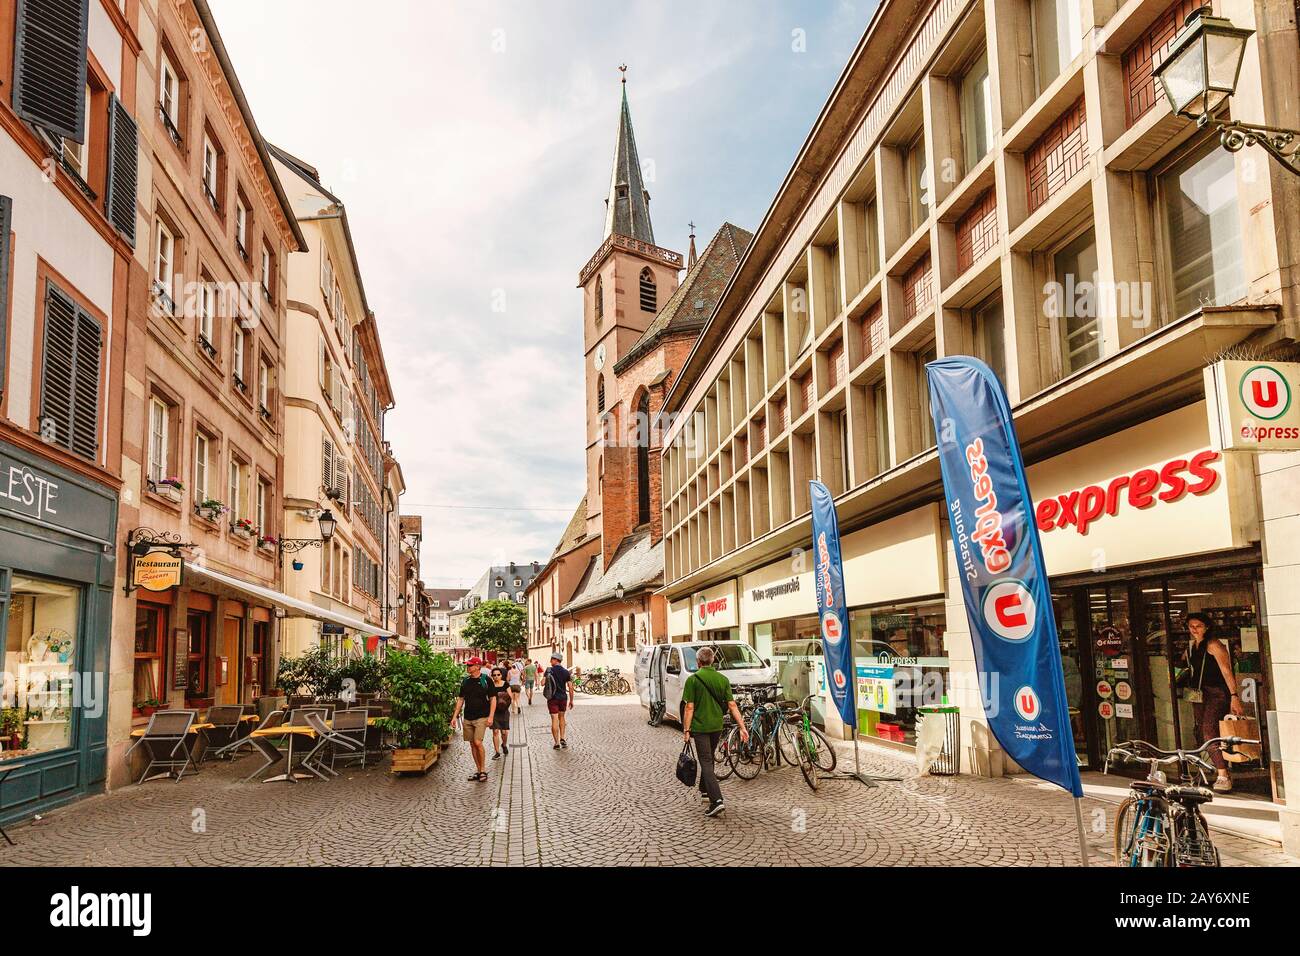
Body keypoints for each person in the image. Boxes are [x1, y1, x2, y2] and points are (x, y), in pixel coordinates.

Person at [682, 646, 748, 818]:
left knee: (706, 761)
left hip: (701, 728)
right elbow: (732, 705)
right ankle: (705, 790)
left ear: (698, 662)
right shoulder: (723, 679)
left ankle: (716, 801)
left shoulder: (693, 680)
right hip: (717, 727)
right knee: (708, 758)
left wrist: (686, 729)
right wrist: (742, 726)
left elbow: (689, 708)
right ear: (712, 661)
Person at [1182, 612, 1243, 792]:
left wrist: (1234, 695)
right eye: (1191, 626)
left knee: (1210, 731)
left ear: (1207, 627)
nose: (1194, 629)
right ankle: (1217, 769)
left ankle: (1223, 774)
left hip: (1217, 693)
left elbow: (1226, 671)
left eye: (1198, 626)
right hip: (1199, 693)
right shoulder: (1193, 646)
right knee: (1202, 730)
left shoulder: (1214, 644)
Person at [450, 657, 497, 782]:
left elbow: (493, 699)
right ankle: (478, 770)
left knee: (477, 742)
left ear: (477, 666)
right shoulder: (465, 681)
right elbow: (461, 699)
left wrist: (491, 716)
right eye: (468, 665)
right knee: (472, 744)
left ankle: (483, 770)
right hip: (468, 716)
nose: (468, 667)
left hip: (482, 716)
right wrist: (455, 716)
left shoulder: (486, 680)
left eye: (470, 665)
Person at [543, 651, 574, 750]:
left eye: (551, 659)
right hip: (563, 698)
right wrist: (571, 700)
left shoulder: (549, 670)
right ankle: (562, 738)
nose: (550, 661)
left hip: (552, 698)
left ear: (556, 660)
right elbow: (570, 686)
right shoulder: (566, 672)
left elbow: (542, 683)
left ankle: (556, 743)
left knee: (554, 719)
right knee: (562, 717)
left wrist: (547, 678)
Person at [489, 667, 513, 759]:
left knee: (504, 732)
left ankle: (504, 744)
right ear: (492, 676)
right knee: (495, 731)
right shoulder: (490, 685)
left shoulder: (505, 684)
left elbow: (510, 696)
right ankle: (497, 752)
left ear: (501, 675)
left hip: (504, 710)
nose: (496, 677)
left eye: (498, 675)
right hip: (494, 711)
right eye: (494, 675)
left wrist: (504, 699)